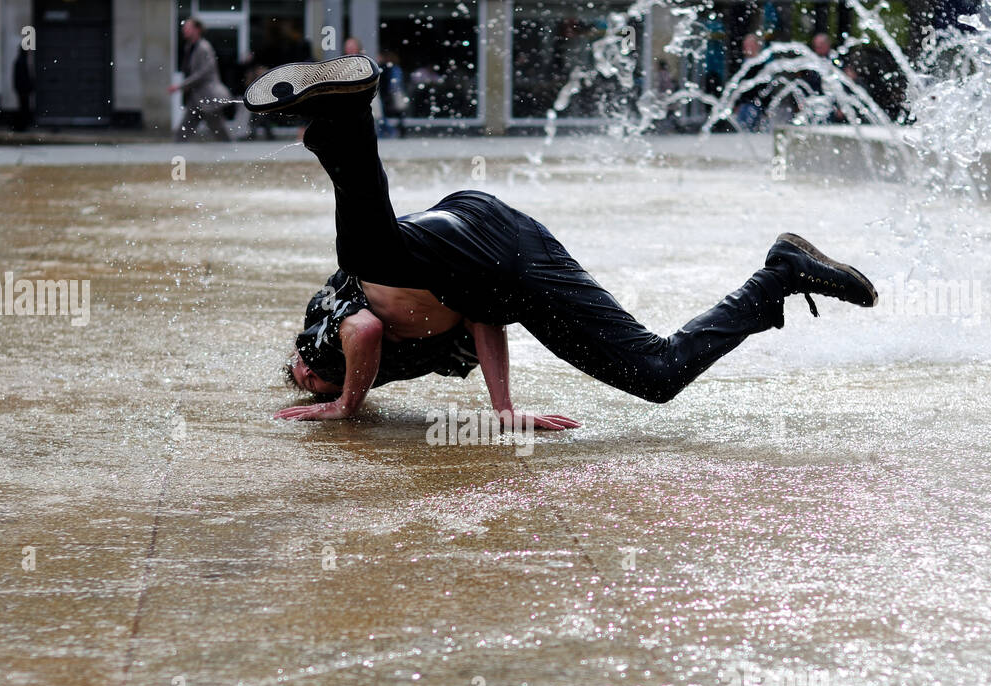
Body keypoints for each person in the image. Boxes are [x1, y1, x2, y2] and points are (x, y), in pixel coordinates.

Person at [243, 56, 877, 427]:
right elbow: (480, 306)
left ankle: (347, 116)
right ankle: (780, 274)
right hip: (489, 244)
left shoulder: (318, 346)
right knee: (654, 375)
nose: (310, 383)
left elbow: (364, 332)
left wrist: (343, 406)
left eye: (306, 383)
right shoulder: (403, 323)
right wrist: (503, 411)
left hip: (472, 250)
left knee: (367, 255)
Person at [168, 18, 232, 142]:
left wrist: (180, 86)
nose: (184, 30)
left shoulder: (203, 48)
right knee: (183, 131)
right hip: (197, 98)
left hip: (208, 97)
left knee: (219, 131)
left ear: (197, 30)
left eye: (187, 28)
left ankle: (234, 155)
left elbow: (203, 73)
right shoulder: (190, 47)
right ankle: (175, 155)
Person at [12, 46, 34, 131]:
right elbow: (23, 77)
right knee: (24, 108)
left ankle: (21, 125)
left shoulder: (19, 61)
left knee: (23, 107)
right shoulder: (22, 62)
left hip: (22, 89)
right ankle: (22, 126)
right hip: (23, 89)